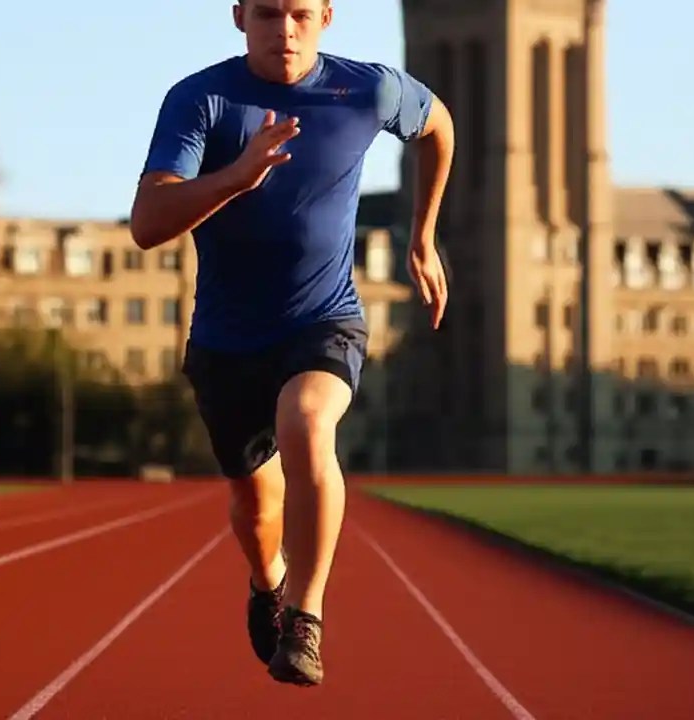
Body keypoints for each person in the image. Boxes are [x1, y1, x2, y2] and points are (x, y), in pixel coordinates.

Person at [129, 0, 452, 687]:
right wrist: (235, 177)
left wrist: (423, 236)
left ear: (328, 17)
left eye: (301, 13)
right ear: (240, 15)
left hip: (324, 318)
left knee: (307, 423)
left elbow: (437, 126)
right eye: (269, 13)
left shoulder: (367, 89)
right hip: (225, 340)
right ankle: (267, 580)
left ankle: (305, 621)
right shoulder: (201, 100)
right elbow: (148, 222)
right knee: (254, 507)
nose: (286, 29)